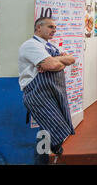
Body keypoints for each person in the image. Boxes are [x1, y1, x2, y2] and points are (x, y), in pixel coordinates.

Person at [18, 17, 76, 165]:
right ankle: (47, 155)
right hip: (38, 95)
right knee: (52, 127)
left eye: (55, 27)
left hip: (54, 93)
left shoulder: (52, 46)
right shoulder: (30, 45)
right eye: (50, 27)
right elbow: (52, 65)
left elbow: (71, 59)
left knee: (46, 130)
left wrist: (56, 61)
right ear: (38, 28)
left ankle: (43, 159)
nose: (54, 30)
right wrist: (55, 62)